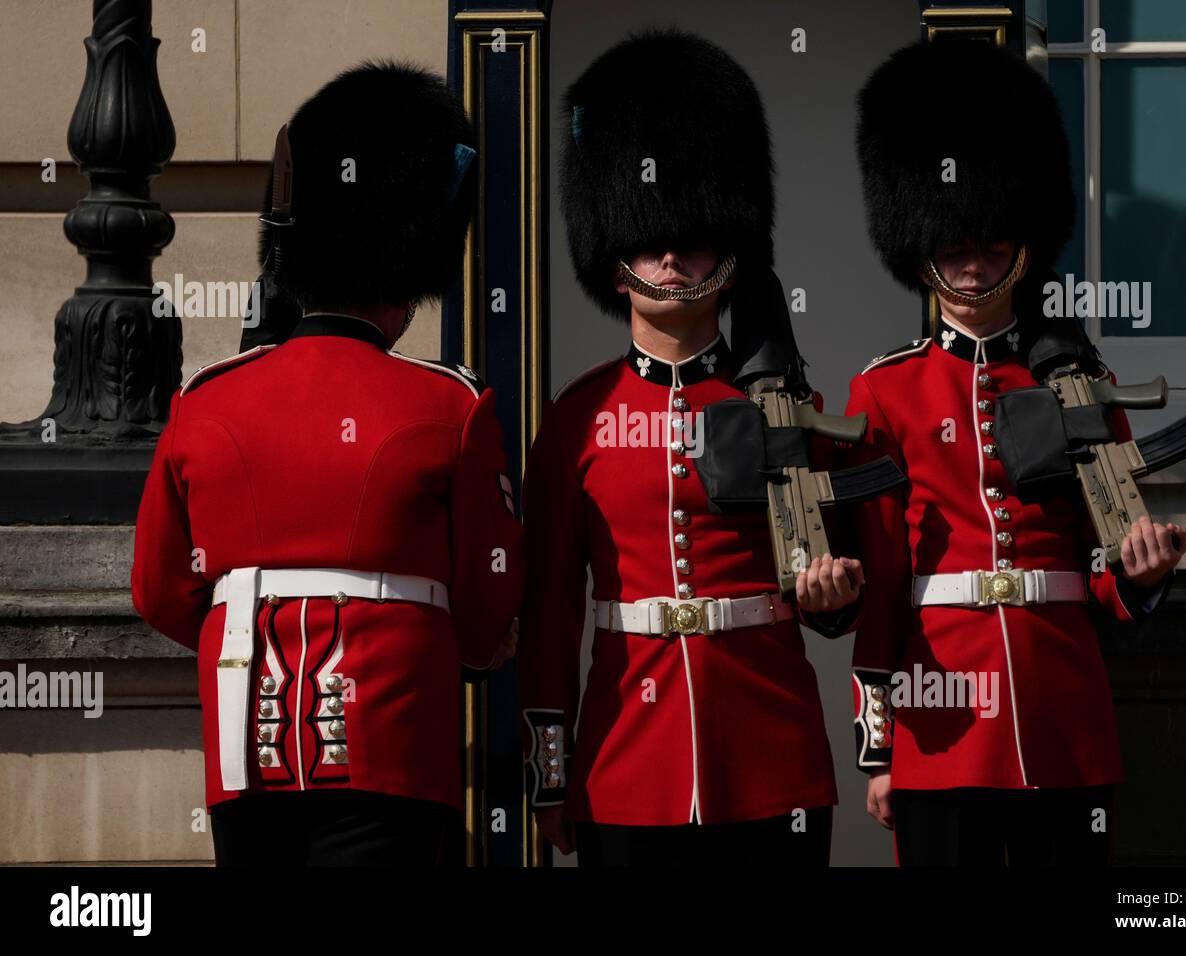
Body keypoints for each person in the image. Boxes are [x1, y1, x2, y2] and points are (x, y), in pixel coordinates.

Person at [131, 61, 522, 866]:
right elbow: (487, 614)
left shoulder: (206, 399)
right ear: (411, 269)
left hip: (246, 758)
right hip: (395, 755)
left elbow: (160, 591)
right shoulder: (449, 406)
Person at [518, 28, 861, 867]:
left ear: (730, 256)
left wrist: (832, 596)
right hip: (625, 762)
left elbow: (837, 586)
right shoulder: (575, 419)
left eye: (694, 237)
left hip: (768, 762)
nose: (670, 255)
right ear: (614, 255)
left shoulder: (790, 406)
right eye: (646, 237)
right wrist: (550, 775)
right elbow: (552, 612)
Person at [845, 40, 1186, 866]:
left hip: (1060, 710)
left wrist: (1137, 577)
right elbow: (885, 579)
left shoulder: (1082, 378)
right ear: (921, 246)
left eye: (991, 243)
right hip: (943, 718)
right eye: (953, 244)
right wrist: (880, 744)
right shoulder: (885, 392)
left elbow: (1105, 553)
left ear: (1022, 244)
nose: (971, 262)